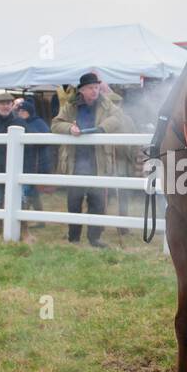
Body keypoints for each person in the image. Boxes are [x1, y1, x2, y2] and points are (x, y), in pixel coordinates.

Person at [51, 73, 127, 247]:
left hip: (99, 159)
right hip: (76, 159)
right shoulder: (70, 105)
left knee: (97, 201)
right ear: (82, 90)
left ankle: (94, 238)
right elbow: (56, 124)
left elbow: (118, 118)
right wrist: (70, 128)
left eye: (97, 87)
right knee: (74, 201)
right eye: (91, 88)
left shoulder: (106, 103)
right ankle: (74, 238)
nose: (95, 91)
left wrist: (102, 129)